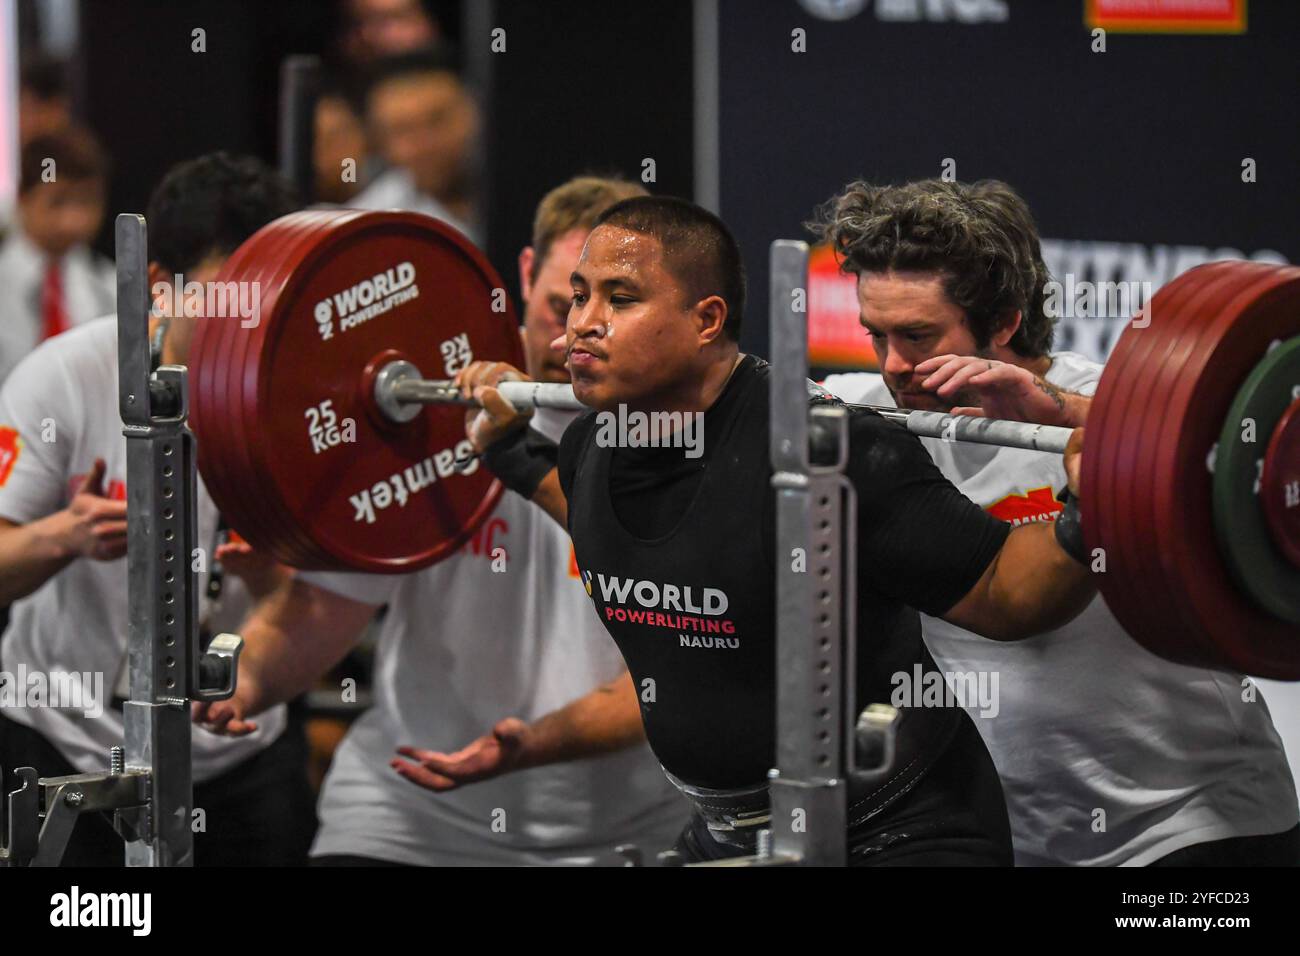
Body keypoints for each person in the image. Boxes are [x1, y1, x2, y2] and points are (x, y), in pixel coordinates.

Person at [455, 195, 1103, 865]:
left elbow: (1006, 591)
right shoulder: (590, 447)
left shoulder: (832, 451)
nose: (581, 324)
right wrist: (510, 453)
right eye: (580, 297)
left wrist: (1093, 495)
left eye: (620, 300)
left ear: (706, 320)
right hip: (731, 837)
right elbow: (655, 549)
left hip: (902, 830)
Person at [194, 176, 688, 867]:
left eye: (614, 311)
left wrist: (529, 745)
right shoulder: (431, 414)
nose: (577, 333)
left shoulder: (685, 452)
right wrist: (247, 681)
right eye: (561, 304)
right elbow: (326, 606)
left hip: (618, 834)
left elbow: (674, 676)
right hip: (408, 814)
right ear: (523, 272)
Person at [815, 178, 1299, 866]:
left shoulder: (1117, 403)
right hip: (1007, 838)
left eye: (918, 336)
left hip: (1192, 828)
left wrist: (1067, 412)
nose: (894, 365)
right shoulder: (856, 420)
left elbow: (1243, 451)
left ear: (1006, 320)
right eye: (876, 334)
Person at [0, 152, 315, 866]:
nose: (250, 321)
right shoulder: (66, 376)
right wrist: (62, 535)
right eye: (226, 294)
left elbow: (329, 607)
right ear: (158, 288)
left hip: (238, 749)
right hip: (63, 740)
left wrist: (272, 585)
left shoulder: (310, 399)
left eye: (270, 294)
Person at [0, 128, 115, 384]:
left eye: (86, 202)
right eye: (58, 201)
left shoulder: (109, 284)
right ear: (22, 197)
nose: (72, 221)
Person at [351, 48, 479, 240]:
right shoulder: (368, 227)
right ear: (380, 144)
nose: (424, 144)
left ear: (475, 114)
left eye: (437, 120)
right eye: (402, 130)